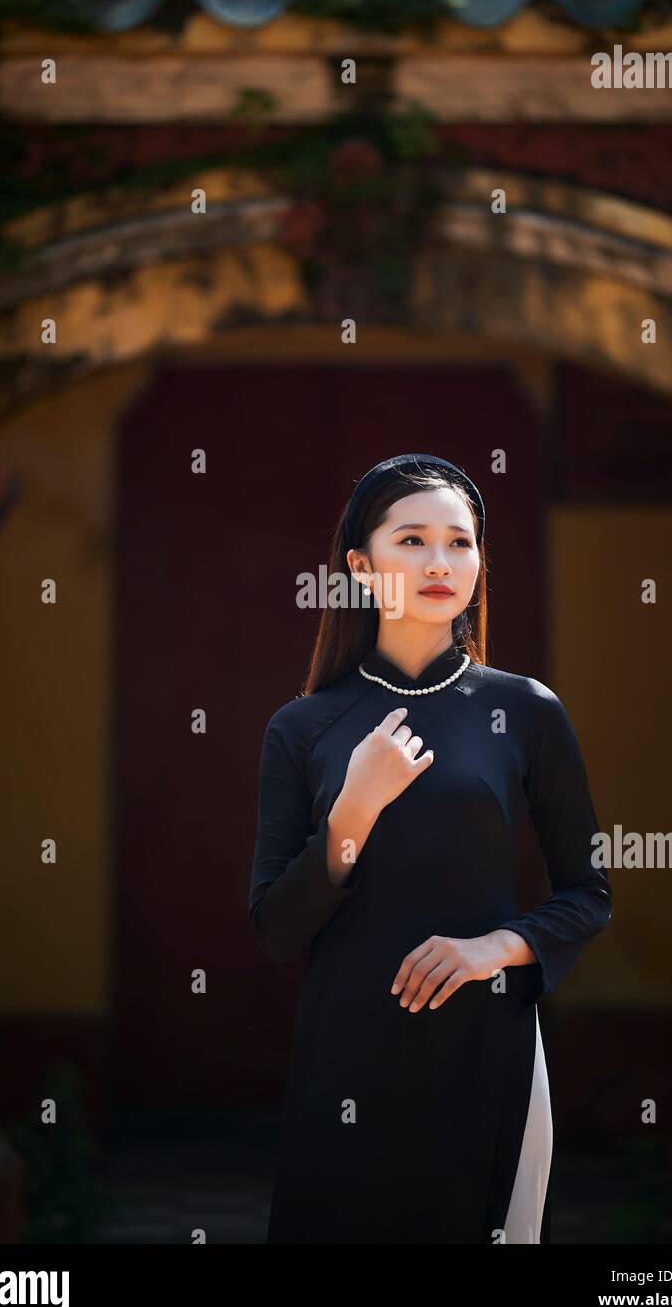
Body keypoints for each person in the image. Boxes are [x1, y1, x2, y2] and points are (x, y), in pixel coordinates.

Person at [249, 452, 612, 1244]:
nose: (440, 562)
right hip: (345, 1054)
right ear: (359, 564)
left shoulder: (524, 711)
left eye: (460, 542)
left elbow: (588, 891)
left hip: (485, 1051)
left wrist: (496, 947)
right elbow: (276, 928)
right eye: (411, 540)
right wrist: (354, 808)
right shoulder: (303, 727)